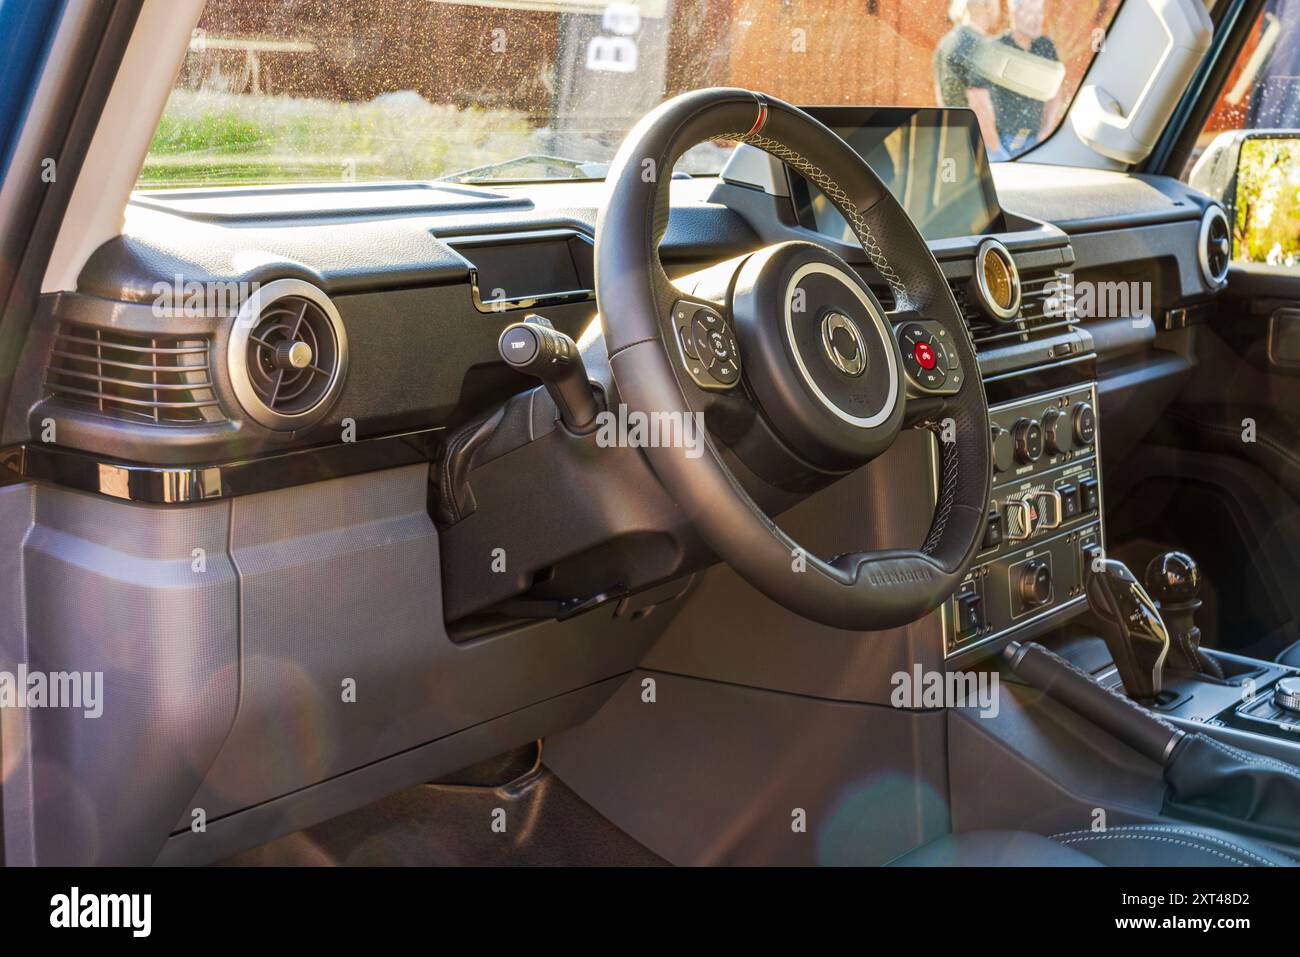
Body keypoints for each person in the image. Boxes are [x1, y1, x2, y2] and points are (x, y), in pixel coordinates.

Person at [933, 0, 1005, 159]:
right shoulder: (978, 44)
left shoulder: (945, 43)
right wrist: (996, 150)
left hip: (955, 139)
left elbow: (940, 97)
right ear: (987, 6)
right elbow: (979, 103)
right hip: (980, 144)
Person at [990, 0, 1063, 153]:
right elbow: (980, 100)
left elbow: (1056, 92)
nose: (1037, 19)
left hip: (1037, 140)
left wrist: (1046, 131)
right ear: (1013, 15)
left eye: (1040, 12)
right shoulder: (997, 49)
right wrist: (994, 145)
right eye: (1030, 13)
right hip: (1003, 142)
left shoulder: (1045, 46)